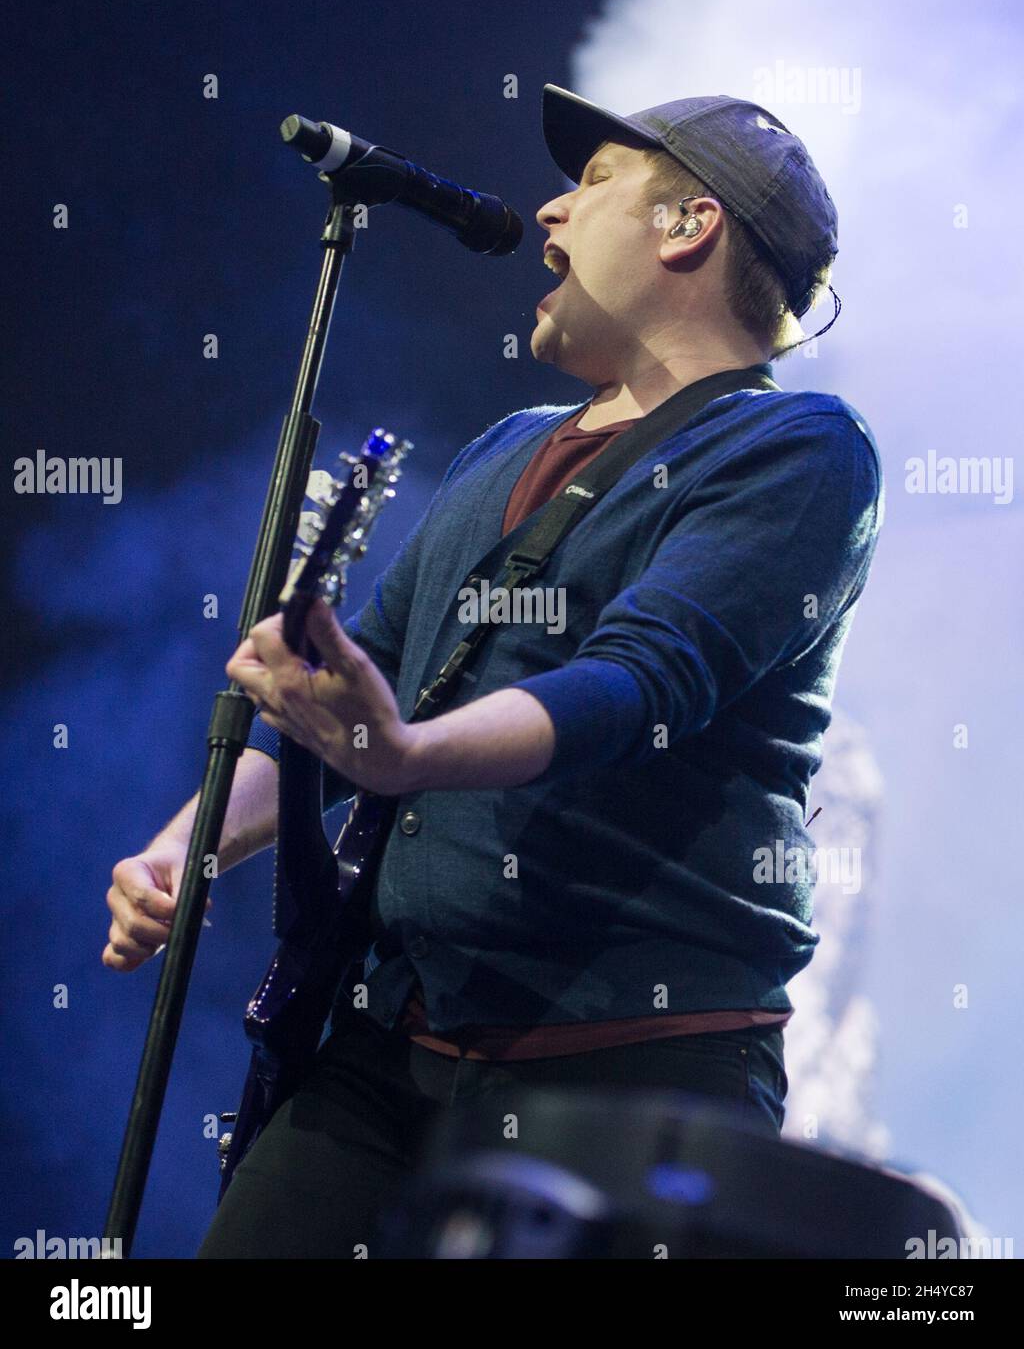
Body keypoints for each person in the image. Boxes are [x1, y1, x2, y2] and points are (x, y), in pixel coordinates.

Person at [103, 85, 883, 1257]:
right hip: (389, 1041)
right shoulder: (506, 445)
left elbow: (639, 683)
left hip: (629, 1076)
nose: (551, 208)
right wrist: (186, 846)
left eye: (597, 183)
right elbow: (353, 686)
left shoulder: (797, 450)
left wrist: (402, 754)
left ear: (690, 227)